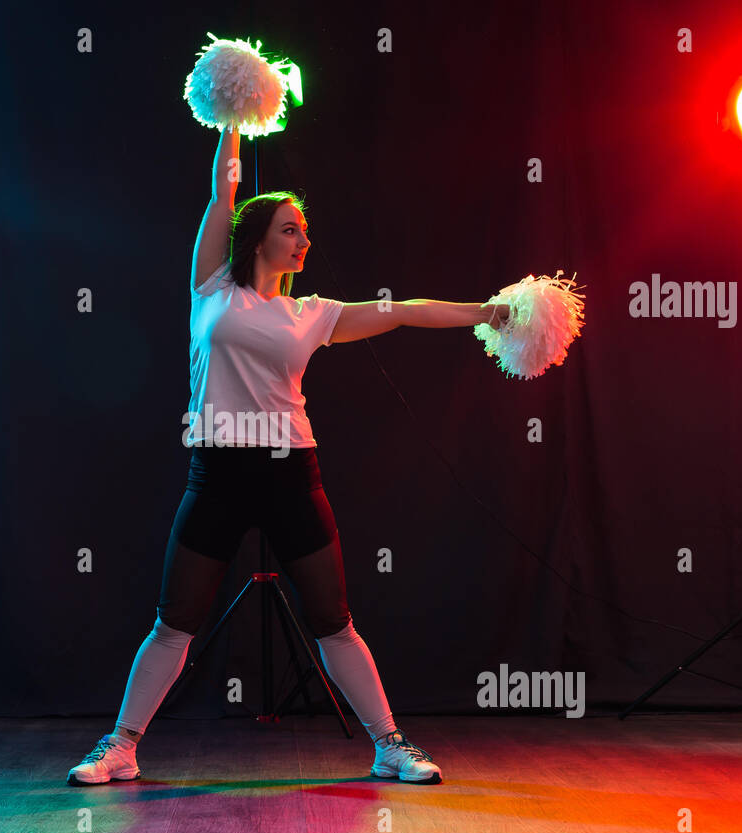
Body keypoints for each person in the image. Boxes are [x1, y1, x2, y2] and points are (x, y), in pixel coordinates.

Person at [68, 125, 509, 787]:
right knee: (174, 624)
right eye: (290, 229)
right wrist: (233, 119)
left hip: (290, 474)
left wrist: (489, 312)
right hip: (216, 472)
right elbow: (223, 191)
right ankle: (121, 747)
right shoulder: (212, 288)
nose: (303, 240)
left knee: (334, 621)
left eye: (303, 230)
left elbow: (406, 311)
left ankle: (391, 747)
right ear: (259, 238)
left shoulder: (314, 314)